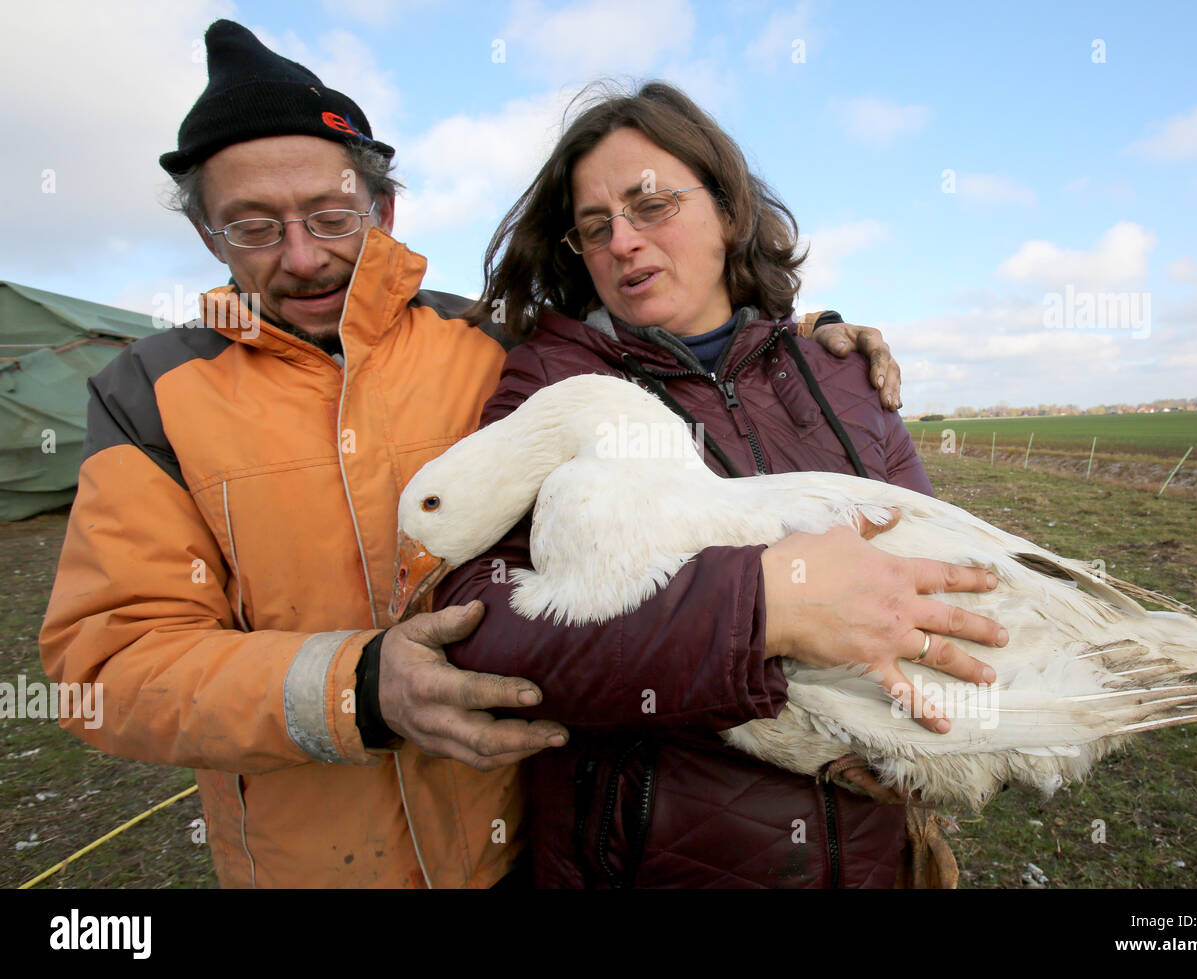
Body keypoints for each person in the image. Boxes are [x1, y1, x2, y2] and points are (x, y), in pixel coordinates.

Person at [37, 22, 901, 888]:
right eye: (253, 228)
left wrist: (812, 335)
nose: (302, 257)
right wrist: (358, 689)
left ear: (383, 208)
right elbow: (108, 664)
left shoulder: (491, 347)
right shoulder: (147, 393)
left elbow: (658, 337)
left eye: (332, 217)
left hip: (520, 854)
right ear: (205, 235)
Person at [424, 82, 1009, 888]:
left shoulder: (837, 370)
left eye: (651, 204)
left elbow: (947, 579)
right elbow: (487, 628)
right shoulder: (551, 387)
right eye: (596, 227)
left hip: (867, 857)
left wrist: (950, 749)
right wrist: (766, 607)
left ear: (731, 211)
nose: (622, 241)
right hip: (650, 862)